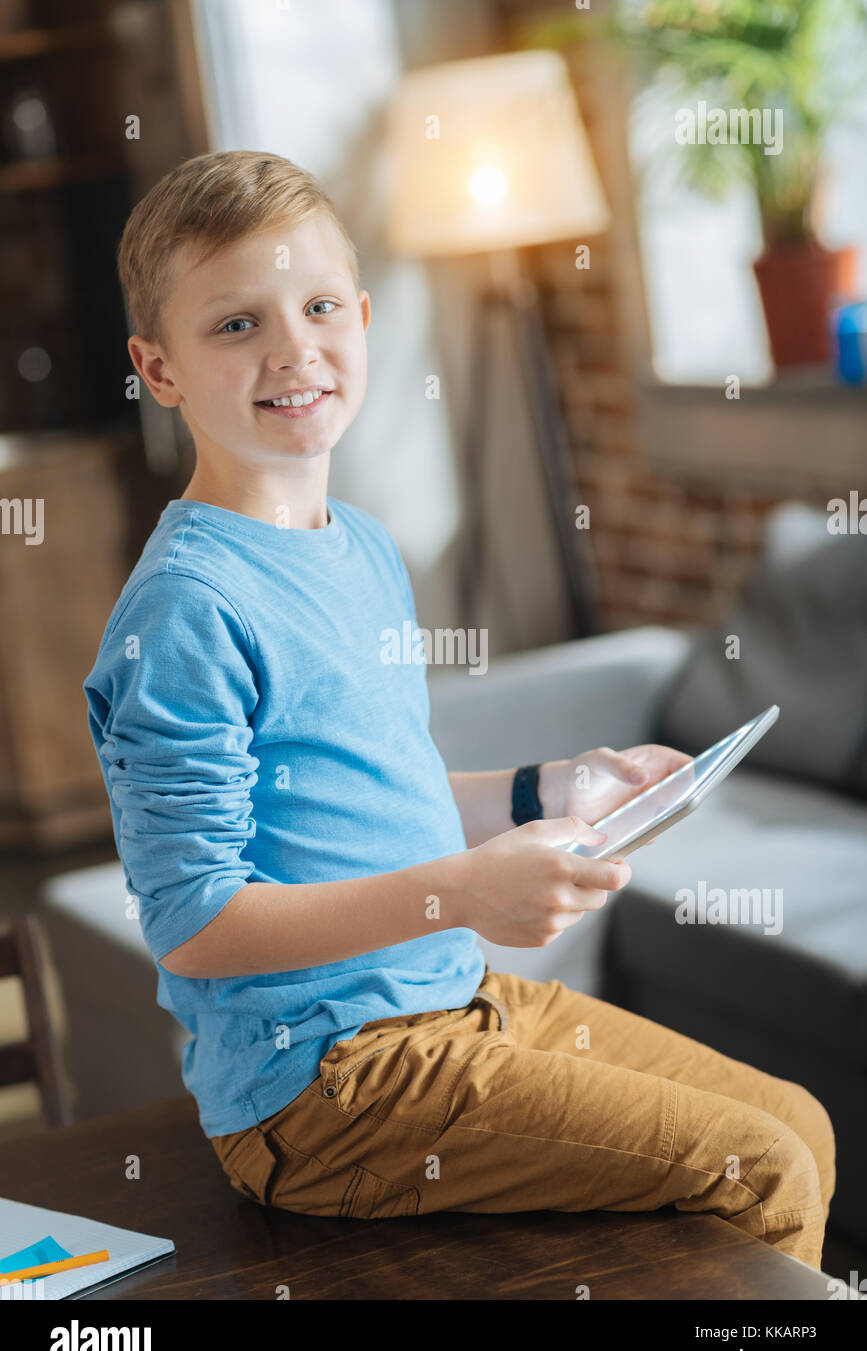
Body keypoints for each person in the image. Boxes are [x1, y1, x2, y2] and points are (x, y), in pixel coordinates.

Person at [84, 150, 834, 1271]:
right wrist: (463, 893)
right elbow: (194, 924)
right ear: (161, 367)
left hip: (460, 1002)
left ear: (366, 318)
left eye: (321, 306)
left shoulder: (362, 545)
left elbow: (366, 799)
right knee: (758, 1164)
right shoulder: (188, 609)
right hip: (324, 1084)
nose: (294, 348)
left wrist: (548, 790)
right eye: (236, 324)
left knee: (802, 1124)